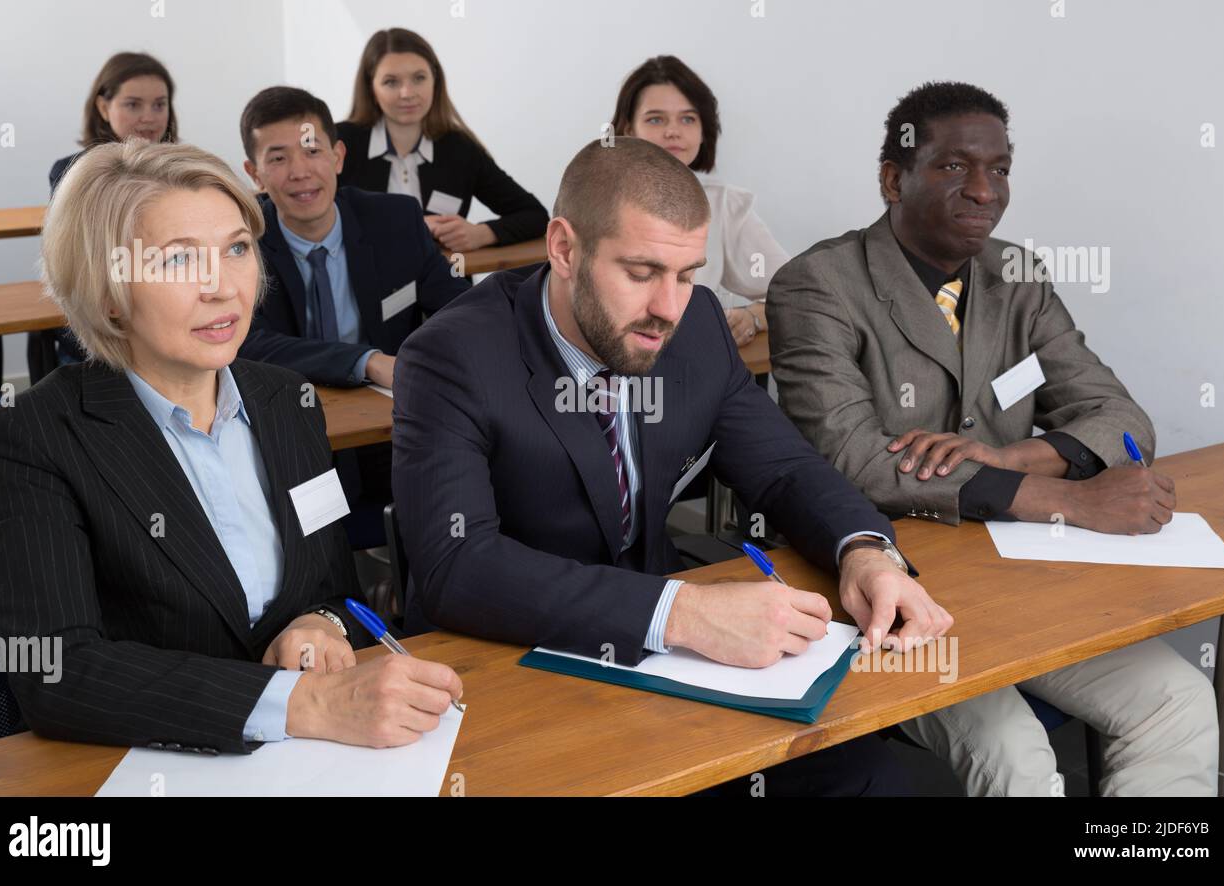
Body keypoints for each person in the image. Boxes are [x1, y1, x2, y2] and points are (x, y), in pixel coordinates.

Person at [391, 136, 955, 795]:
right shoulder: (450, 357)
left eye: (687, 275)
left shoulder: (697, 324)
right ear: (565, 249)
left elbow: (783, 470)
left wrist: (862, 551)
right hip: (508, 667)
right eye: (641, 272)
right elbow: (458, 568)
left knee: (881, 783)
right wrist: (684, 613)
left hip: (666, 670)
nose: (669, 307)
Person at [767, 81, 1217, 795]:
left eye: (999, 168)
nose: (984, 190)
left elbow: (1122, 417)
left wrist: (1010, 456)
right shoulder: (817, 284)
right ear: (894, 178)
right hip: (890, 593)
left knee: (1180, 702)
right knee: (1012, 749)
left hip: (1017, 583)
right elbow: (848, 459)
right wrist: (1067, 499)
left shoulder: (1017, 276)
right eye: (953, 166)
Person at [0, 139, 462, 752]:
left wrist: (321, 623)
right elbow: (59, 670)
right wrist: (296, 703)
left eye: (236, 249)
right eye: (179, 261)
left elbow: (335, 586)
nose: (223, 287)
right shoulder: (37, 434)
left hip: (312, 764)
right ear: (107, 292)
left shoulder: (291, 402)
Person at [237, 86, 470, 548]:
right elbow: (248, 341)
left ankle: (410, 590)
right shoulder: (244, 242)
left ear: (338, 156)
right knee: (320, 538)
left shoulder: (395, 220)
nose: (301, 172)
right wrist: (366, 360)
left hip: (391, 427)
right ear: (255, 173)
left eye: (312, 150)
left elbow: (458, 309)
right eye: (278, 159)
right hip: (292, 435)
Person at [611, 55, 789, 348]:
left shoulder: (724, 205)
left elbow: (798, 288)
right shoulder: (595, 198)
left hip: (694, 366)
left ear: (703, 130)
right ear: (629, 129)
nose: (673, 131)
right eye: (656, 119)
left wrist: (755, 315)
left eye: (688, 118)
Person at [336, 27, 548, 252]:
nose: (407, 93)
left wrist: (482, 233)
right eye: (391, 82)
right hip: (365, 286)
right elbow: (314, 221)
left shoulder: (460, 148)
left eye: (419, 78)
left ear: (435, 81)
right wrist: (414, 225)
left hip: (444, 284)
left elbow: (535, 215)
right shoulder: (340, 144)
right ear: (371, 88)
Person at [35, 51, 181, 377]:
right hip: (105, 322)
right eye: (133, 104)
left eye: (160, 104)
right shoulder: (71, 173)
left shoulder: (182, 170)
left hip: (172, 312)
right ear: (103, 107)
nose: (149, 117)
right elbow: (87, 266)